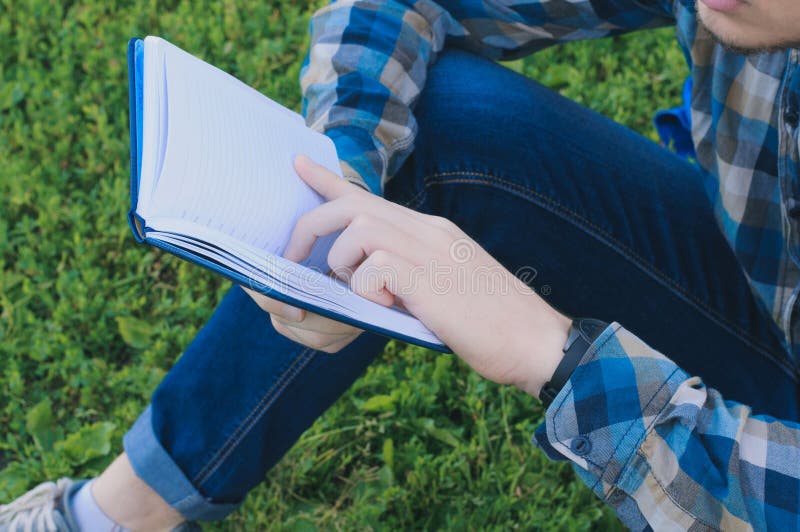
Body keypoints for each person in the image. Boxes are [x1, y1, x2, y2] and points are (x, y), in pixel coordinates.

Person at [3, 0, 800, 529]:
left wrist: (552, 356)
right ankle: (113, 517)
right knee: (443, 120)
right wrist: (348, 163)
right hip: (765, 277)